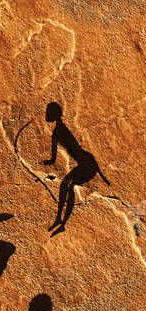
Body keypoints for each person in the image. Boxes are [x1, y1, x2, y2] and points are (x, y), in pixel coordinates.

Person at [42, 101, 110, 236]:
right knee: (66, 186)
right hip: (87, 161)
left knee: (67, 186)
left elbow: (57, 157)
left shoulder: (58, 132)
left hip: (86, 164)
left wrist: (48, 162)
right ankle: (59, 220)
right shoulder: (59, 130)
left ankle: (60, 221)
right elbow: (55, 158)